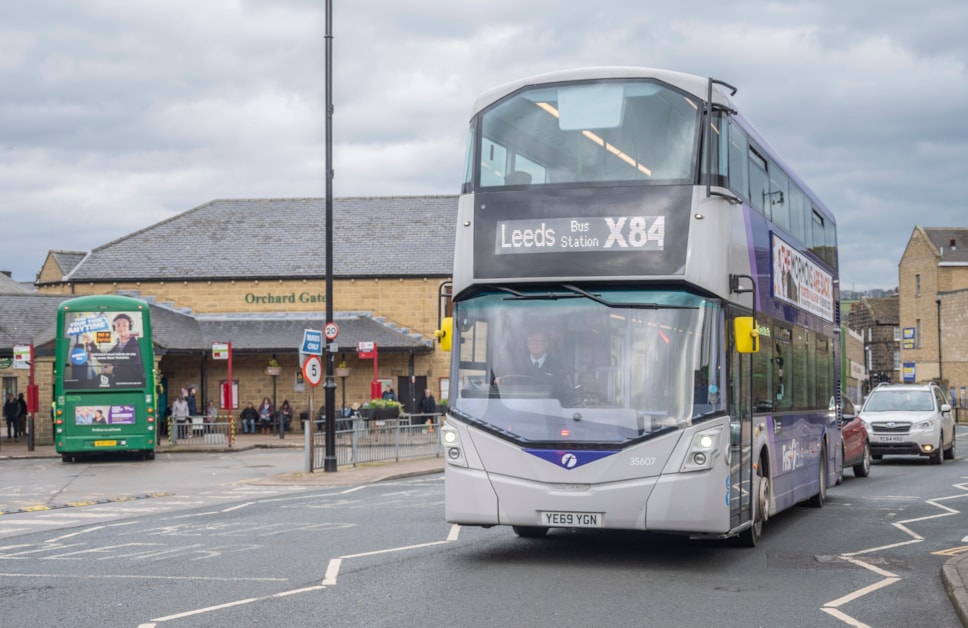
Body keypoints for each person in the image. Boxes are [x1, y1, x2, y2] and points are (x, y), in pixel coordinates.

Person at [100, 313, 144, 387]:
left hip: (131, 387)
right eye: (118, 325)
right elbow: (104, 358)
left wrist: (113, 370)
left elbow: (137, 372)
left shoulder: (135, 346)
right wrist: (91, 344)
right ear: (115, 328)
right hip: (116, 384)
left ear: (129, 327)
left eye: (124, 325)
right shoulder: (118, 345)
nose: (121, 328)